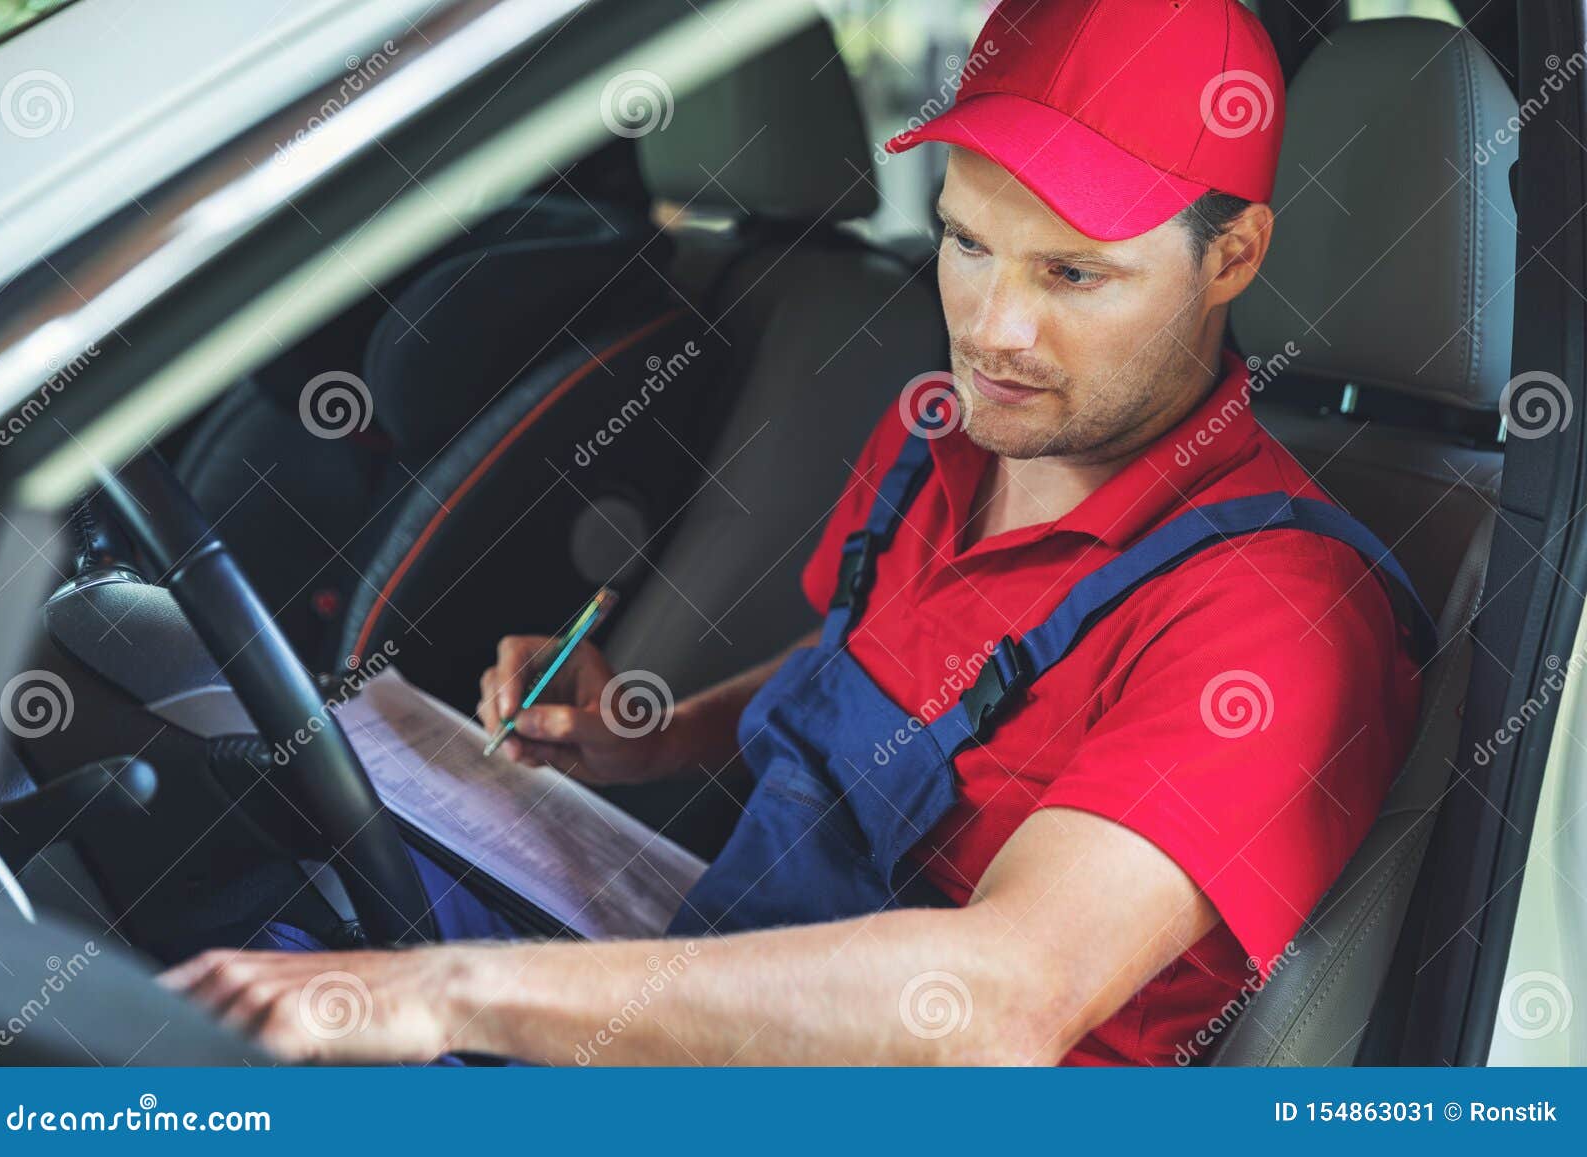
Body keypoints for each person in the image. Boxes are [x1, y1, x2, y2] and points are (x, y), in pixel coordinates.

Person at [165, 0, 1429, 1066]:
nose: (992, 329)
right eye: (965, 242)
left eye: (1071, 274)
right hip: (734, 999)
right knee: (225, 886)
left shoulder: (1274, 616)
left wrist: (448, 991)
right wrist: (639, 735)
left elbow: (1001, 1000)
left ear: (1232, 257)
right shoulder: (943, 436)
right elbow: (865, 671)